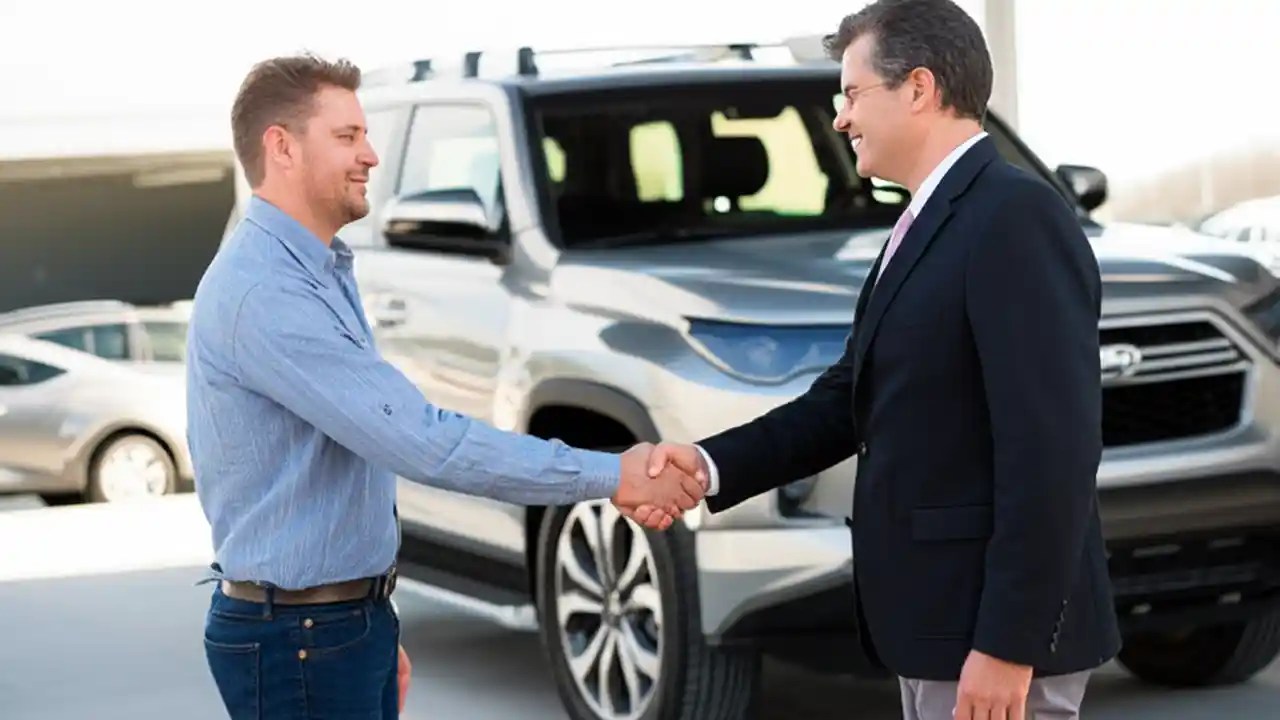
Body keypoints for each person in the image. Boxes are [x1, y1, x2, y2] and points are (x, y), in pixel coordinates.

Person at [637, 1, 1121, 718]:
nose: (841, 118)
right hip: (937, 627)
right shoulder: (926, 222)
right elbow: (850, 398)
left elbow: (1053, 451)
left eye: (852, 94)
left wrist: (1008, 643)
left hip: (986, 639)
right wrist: (709, 465)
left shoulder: (1014, 217)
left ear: (919, 87)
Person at [186, 54, 703, 720]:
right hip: (302, 639)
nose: (371, 155)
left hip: (331, 627)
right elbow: (424, 443)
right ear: (281, 147)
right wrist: (614, 474)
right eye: (347, 136)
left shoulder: (311, 269)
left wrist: (371, 615)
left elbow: (333, 471)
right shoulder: (267, 292)